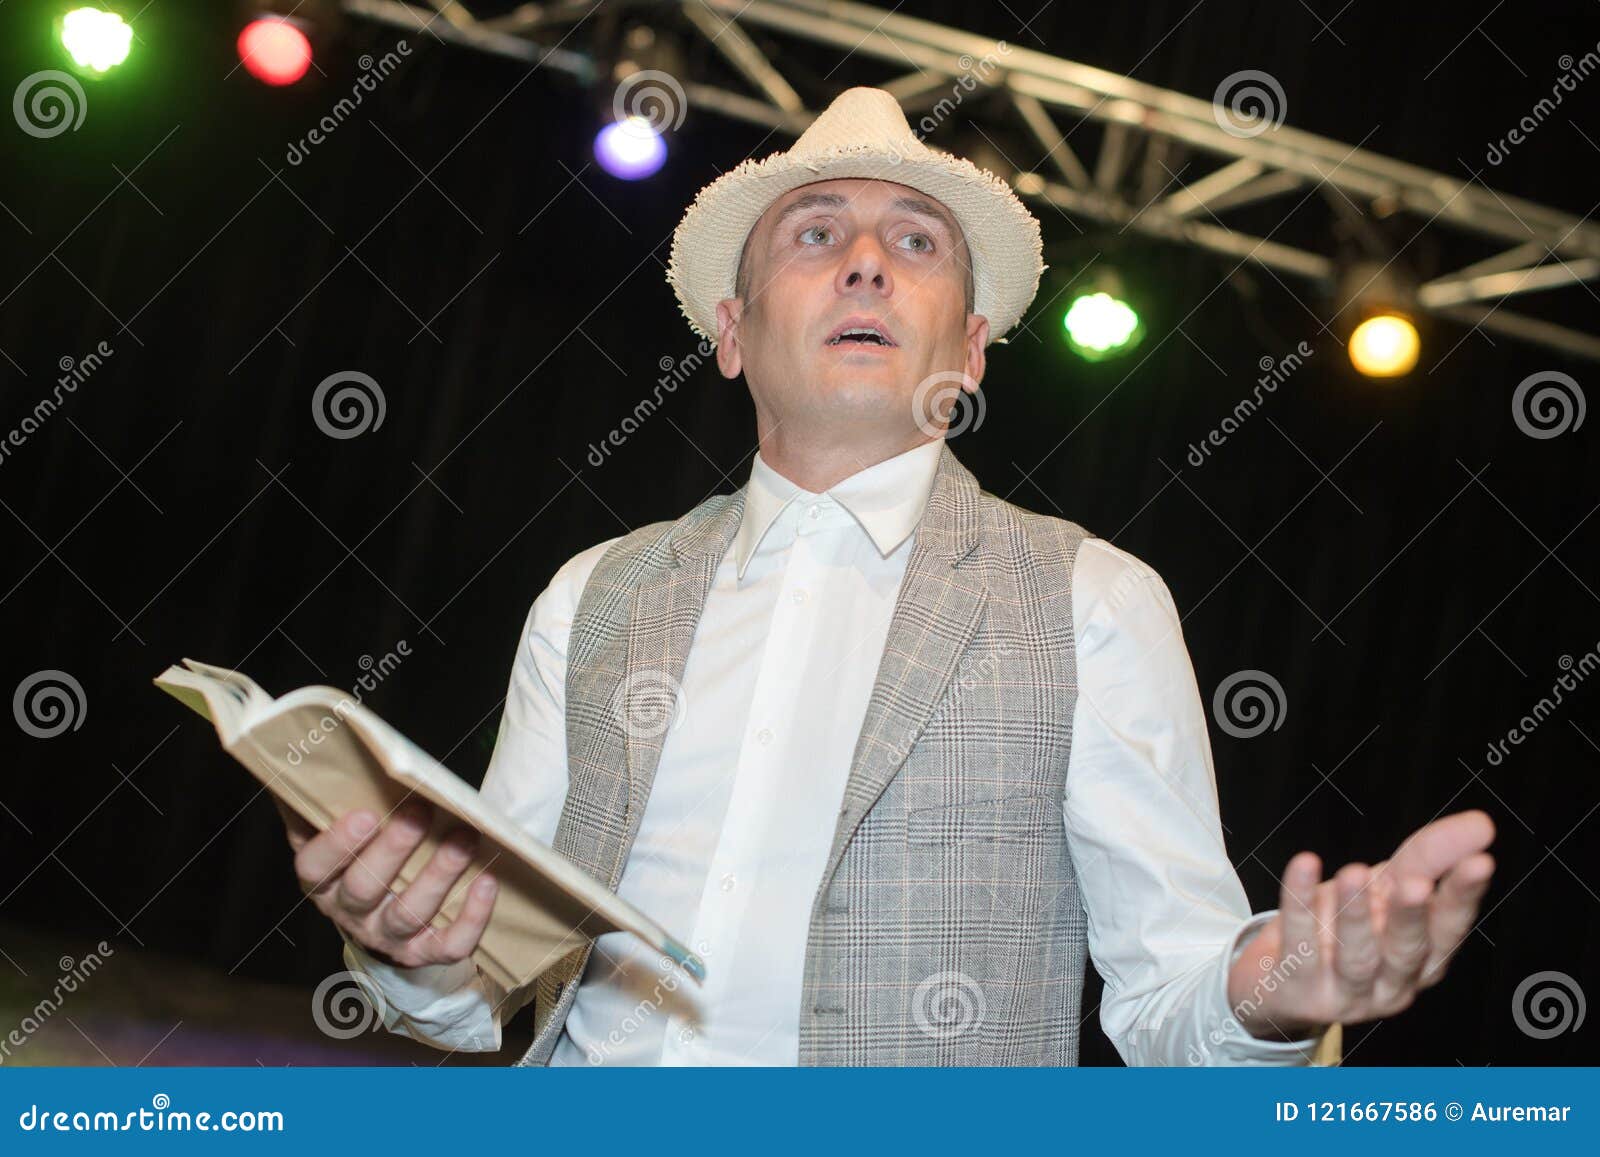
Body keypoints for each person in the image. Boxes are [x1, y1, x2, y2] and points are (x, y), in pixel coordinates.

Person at [278, 87, 1495, 1066]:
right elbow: (476, 984)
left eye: (913, 244)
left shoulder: (1091, 602)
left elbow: (1176, 1004)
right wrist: (405, 946)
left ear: (968, 348)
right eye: (816, 235)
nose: (866, 263)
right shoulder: (592, 595)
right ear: (733, 331)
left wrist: (1288, 987)